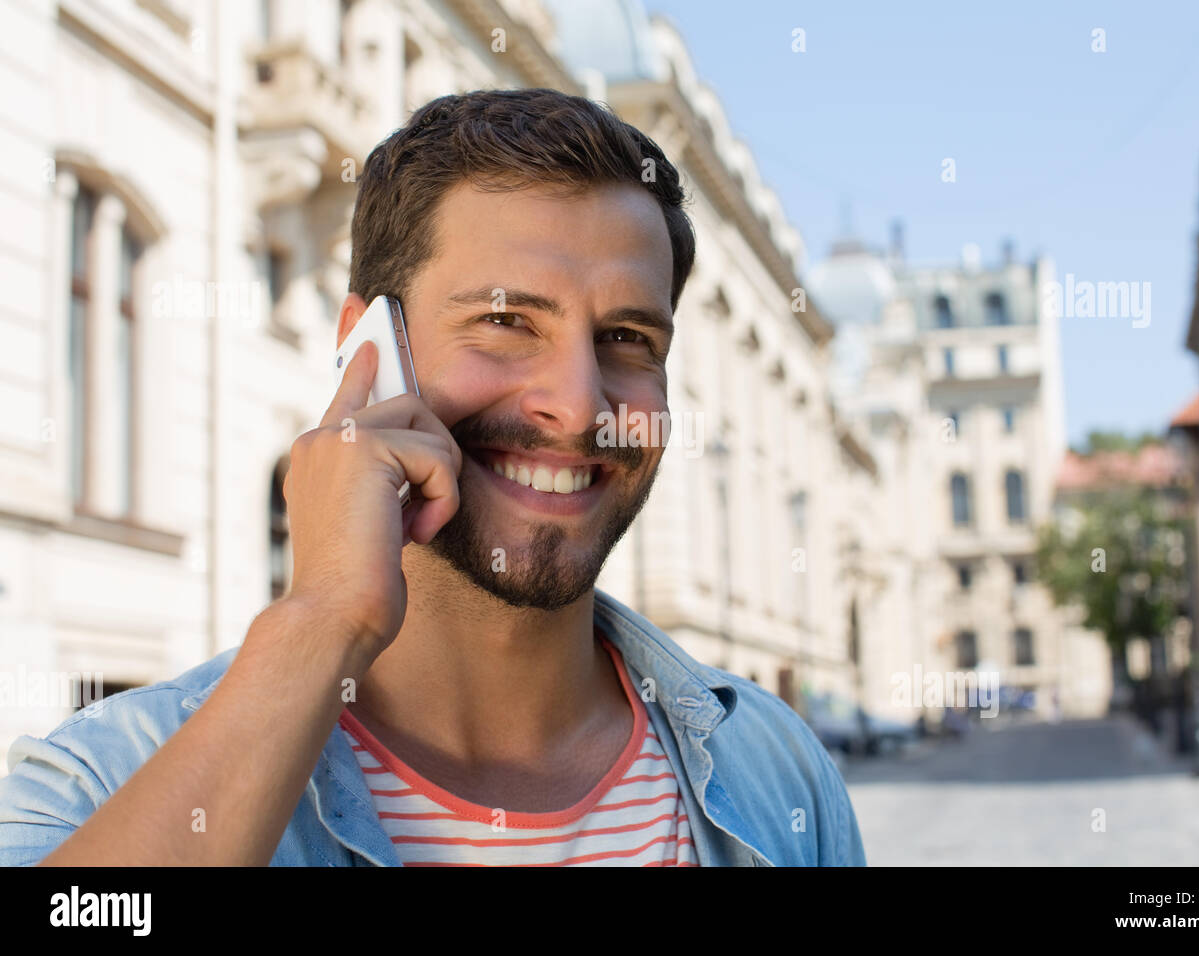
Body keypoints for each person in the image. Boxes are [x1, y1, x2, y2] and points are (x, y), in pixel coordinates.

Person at [0, 89, 866, 867]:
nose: (577, 404)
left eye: (628, 339)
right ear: (368, 352)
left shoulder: (775, 766)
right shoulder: (105, 780)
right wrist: (321, 620)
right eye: (504, 320)